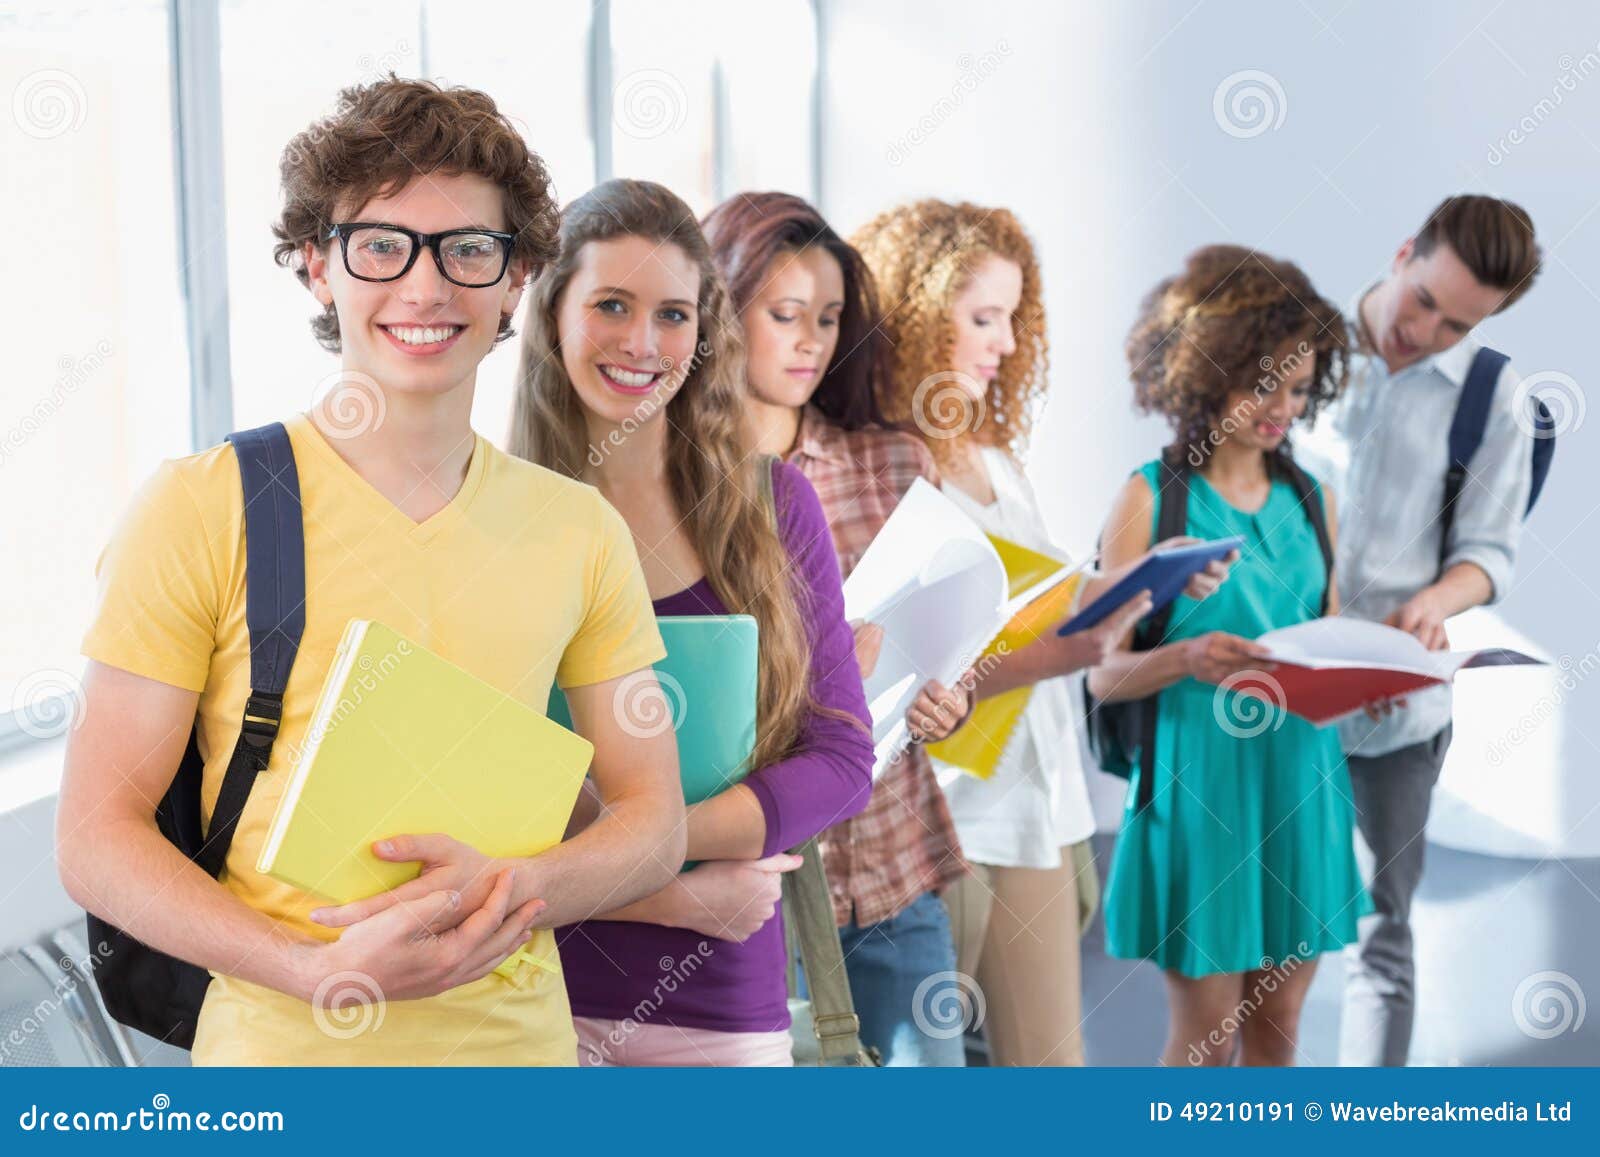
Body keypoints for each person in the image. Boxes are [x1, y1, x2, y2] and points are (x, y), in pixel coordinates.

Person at [55, 78, 686, 1065]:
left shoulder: (578, 529)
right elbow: (96, 836)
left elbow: (653, 821)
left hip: (519, 1064)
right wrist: (312, 969)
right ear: (319, 265)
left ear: (516, 276)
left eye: (467, 249)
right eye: (382, 245)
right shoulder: (200, 506)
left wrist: (518, 887)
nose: (425, 289)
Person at [511, 178, 875, 1067]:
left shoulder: (772, 506)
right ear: (553, 314)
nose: (642, 343)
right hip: (518, 998)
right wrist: (663, 880)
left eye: (672, 314)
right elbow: (463, 790)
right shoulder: (490, 513)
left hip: (717, 1008)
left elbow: (839, 761)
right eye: (611, 304)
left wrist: (648, 839)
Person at [852, 199, 1210, 1066]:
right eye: (983, 318)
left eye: (1013, 318)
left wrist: (1138, 579)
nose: (1007, 343)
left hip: (1036, 807)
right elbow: (903, 673)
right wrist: (1065, 653)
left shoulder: (994, 460)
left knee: (1048, 1067)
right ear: (915, 317)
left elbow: (1044, 597)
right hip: (943, 816)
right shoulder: (882, 465)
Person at [702, 190, 973, 1066]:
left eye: (827, 318)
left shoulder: (892, 462)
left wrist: (949, 699)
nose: (811, 341)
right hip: (752, 886)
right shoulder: (672, 486)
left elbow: (947, 645)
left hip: (893, 873)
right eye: (785, 315)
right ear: (720, 310)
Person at [1091, 244, 1365, 1066]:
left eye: (1299, 388)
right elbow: (1101, 673)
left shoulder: (1314, 498)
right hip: (1199, 787)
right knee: (1204, 1040)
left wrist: (1370, 676)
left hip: (1302, 781)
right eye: (1262, 385)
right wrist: (1186, 657)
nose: (1283, 407)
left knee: (1280, 1026)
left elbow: (1327, 634)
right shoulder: (1149, 497)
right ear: (1205, 375)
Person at [1301, 195, 1543, 1067]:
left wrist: (1438, 601)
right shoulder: (1299, 349)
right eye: (1424, 301)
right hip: (1272, 687)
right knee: (1251, 922)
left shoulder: (1496, 399)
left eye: (1457, 325)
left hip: (1396, 706)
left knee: (1380, 928)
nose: (1425, 332)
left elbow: (1489, 552)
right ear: (1404, 250)